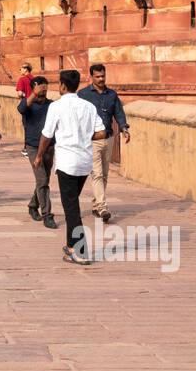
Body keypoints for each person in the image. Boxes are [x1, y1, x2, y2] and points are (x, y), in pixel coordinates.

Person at [35, 69, 106, 265]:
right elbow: (102, 132)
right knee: (71, 203)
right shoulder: (88, 106)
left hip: (67, 162)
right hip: (84, 162)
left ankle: (81, 251)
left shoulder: (56, 107)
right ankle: (71, 245)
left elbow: (47, 135)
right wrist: (83, 136)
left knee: (71, 209)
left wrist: (39, 155)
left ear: (63, 86)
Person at [77, 63, 130, 223]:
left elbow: (118, 113)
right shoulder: (83, 94)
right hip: (92, 140)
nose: (101, 79)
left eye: (103, 76)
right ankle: (102, 207)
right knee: (97, 174)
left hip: (108, 138)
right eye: (98, 76)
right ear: (91, 77)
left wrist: (124, 128)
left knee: (104, 175)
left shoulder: (111, 95)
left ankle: (96, 205)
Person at [19, 76, 57, 228]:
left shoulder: (52, 106)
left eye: (45, 87)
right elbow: (21, 109)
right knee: (42, 179)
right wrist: (33, 94)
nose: (43, 90)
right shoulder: (28, 105)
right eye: (40, 87)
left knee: (44, 180)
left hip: (49, 146)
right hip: (34, 147)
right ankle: (47, 214)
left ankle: (32, 205)